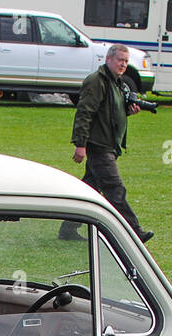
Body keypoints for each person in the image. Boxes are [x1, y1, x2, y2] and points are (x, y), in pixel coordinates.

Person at [63, 43, 151, 243]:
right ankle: (134, 232)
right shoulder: (97, 81)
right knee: (114, 189)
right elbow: (85, 113)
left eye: (126, 61)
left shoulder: (118, 83)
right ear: (108, 59)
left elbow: (111, 111)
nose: (123, 64)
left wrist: (129, 111)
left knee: (89, 190)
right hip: (99, 146)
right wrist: (80, 143)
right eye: (120, 60)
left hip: (109, 146)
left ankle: (67, 228)